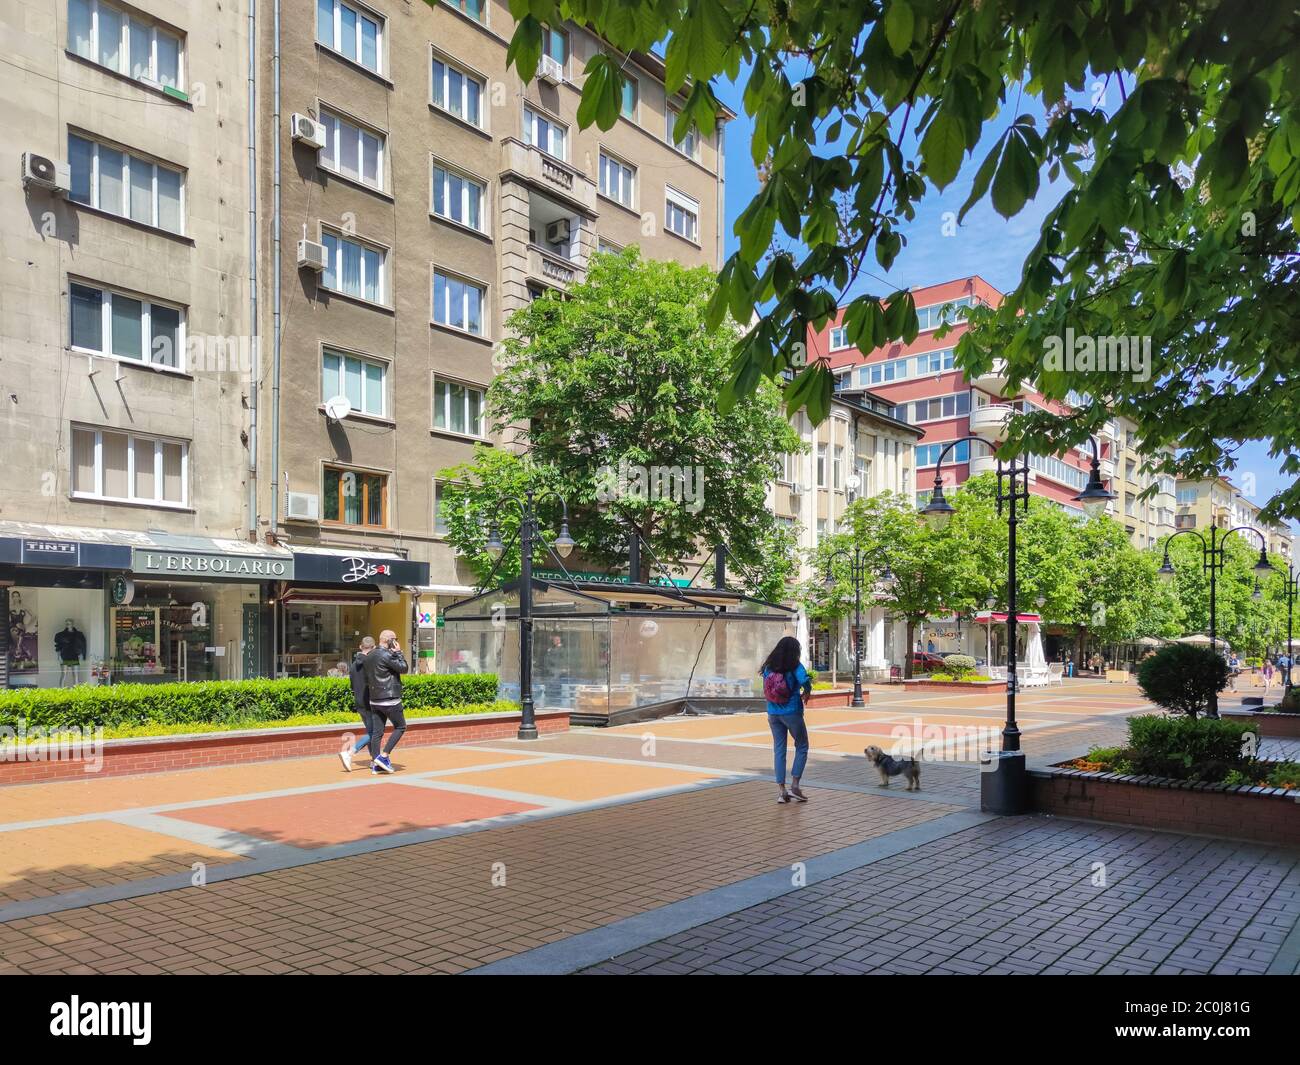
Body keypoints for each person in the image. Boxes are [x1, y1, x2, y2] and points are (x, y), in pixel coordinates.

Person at [760, 635, 812, 804]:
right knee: (802, 745)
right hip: (792, 711)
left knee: (779, 749)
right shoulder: (794, 665)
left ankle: (782, 791)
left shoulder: (768, 666)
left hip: (773, 712)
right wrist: (807, 692)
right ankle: (795, 786)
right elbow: (805, 680)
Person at [363, 629, 409, 774]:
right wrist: (399, 652)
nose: (396, 642)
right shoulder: (388, 655)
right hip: (390, 699)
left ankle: (376, 764)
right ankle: (384, 756)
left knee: (377, 732)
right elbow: (404, 668)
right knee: (400, 727)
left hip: (374, 700)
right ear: (390, 641)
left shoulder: (369, 656)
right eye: (395, 639)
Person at [339, 638, 375, 772]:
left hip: (359, 703)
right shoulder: (370, 663)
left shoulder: (353, 665)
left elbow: (353, 686)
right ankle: (350, 753)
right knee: (375, 732)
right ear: (374, 647)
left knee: (371, 732)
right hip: (370, 703)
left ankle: (374, 759)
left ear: (360, 646)